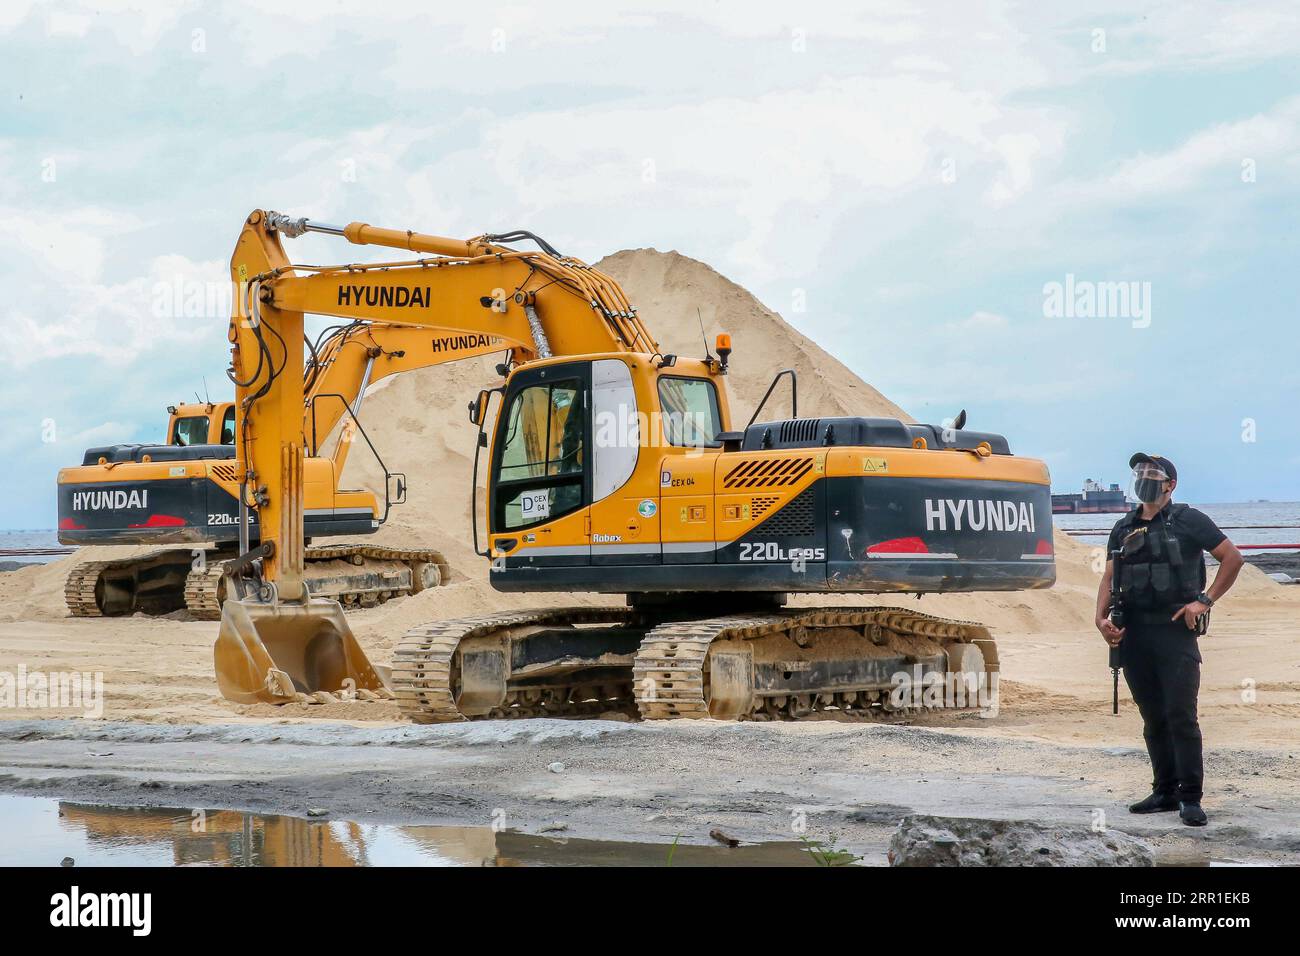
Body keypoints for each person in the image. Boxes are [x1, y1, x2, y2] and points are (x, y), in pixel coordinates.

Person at [1095, 454, 1244, 827]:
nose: (1144, 477)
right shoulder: (1123, 526)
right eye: (1139, 472)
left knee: (1181, 716)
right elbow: (1109, 577)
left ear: (1170, 484)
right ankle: (1164, 791)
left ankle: (1190, 797)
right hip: (1134, 632)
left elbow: (1233, 558)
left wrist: (1204, 600)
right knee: (1153, 717)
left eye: (1152, 473)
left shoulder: (1189, 520)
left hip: (1175, 630)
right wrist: (1100, 619)